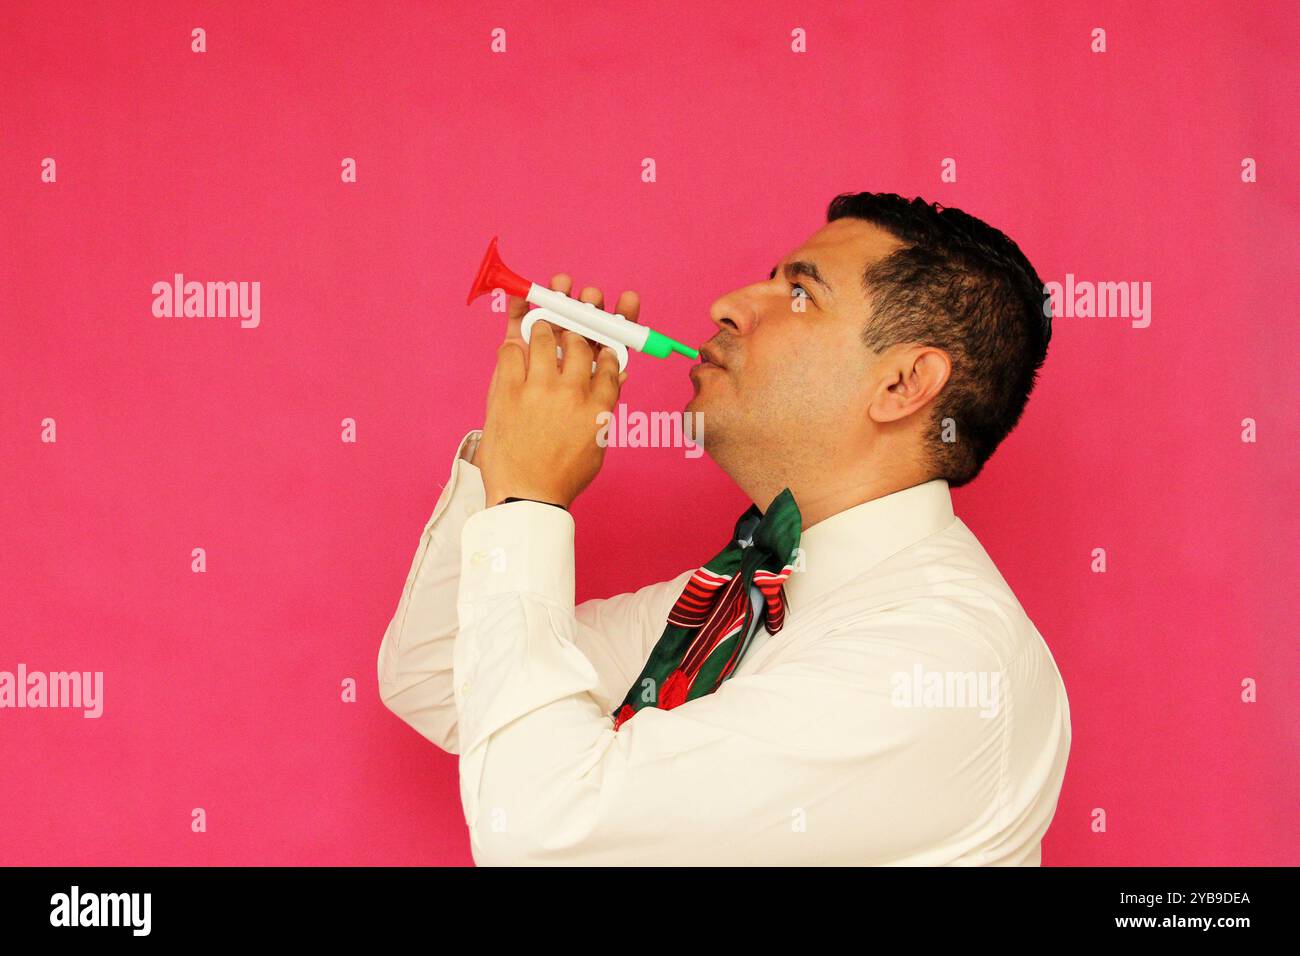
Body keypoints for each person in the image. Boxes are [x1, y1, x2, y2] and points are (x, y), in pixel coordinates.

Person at [377, 191, 1071, 865]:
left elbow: (539, 832)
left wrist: (529, 500)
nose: (728, 305)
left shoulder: (938, 660)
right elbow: (439, 675)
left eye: (800, 294)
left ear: (903, 384)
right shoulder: (745, 593)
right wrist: (503, 466)